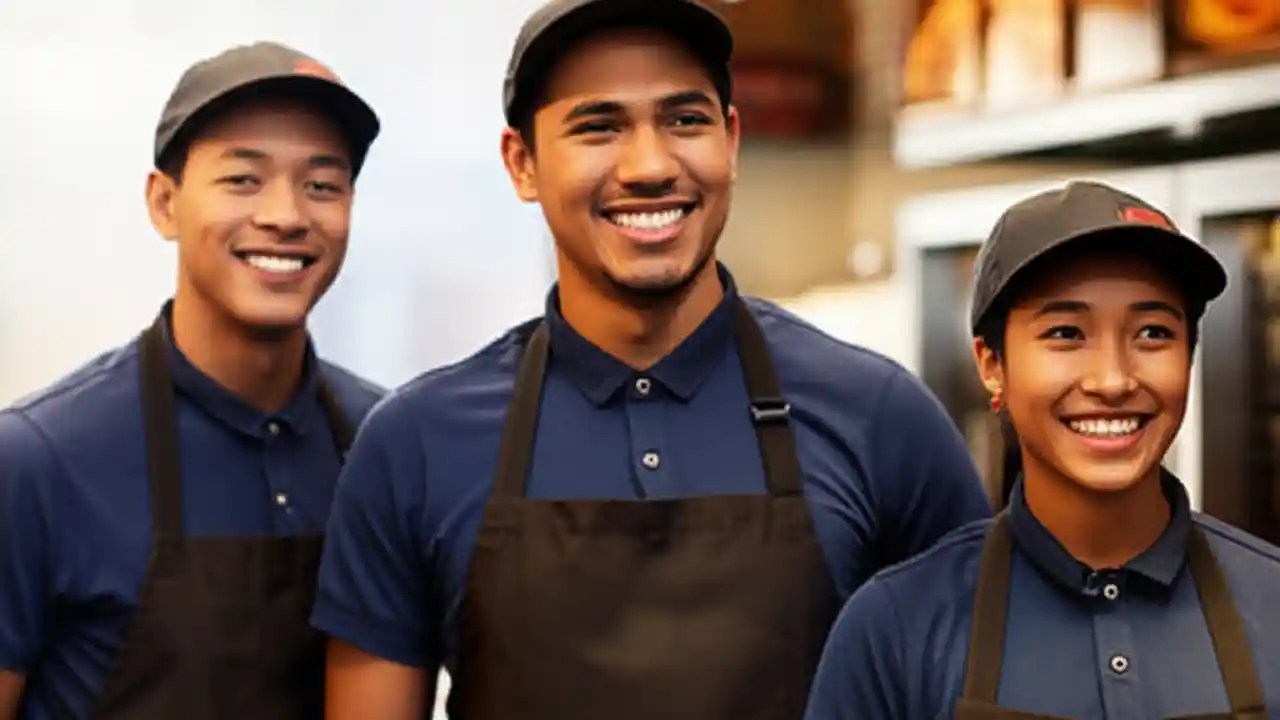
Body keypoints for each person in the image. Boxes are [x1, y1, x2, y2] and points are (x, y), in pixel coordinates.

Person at [311, 1, 991, 718]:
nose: (649, 165)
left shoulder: (882, 419)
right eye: (598, 126)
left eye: (684, 120)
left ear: (731, 139)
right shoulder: (414, 443)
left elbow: (978, 687)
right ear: (522, 163)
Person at [0, 41, 384, 719]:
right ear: (164, 203)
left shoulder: (384, 448)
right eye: (243, 179)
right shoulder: (38, 459)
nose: (286, 215)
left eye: (322, 184)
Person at [803, 180, 1280, 718]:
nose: (1113, 380)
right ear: (992, 365)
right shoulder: (895, 627)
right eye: (1065, 334)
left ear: (1189, 357)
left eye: (1151, 333)